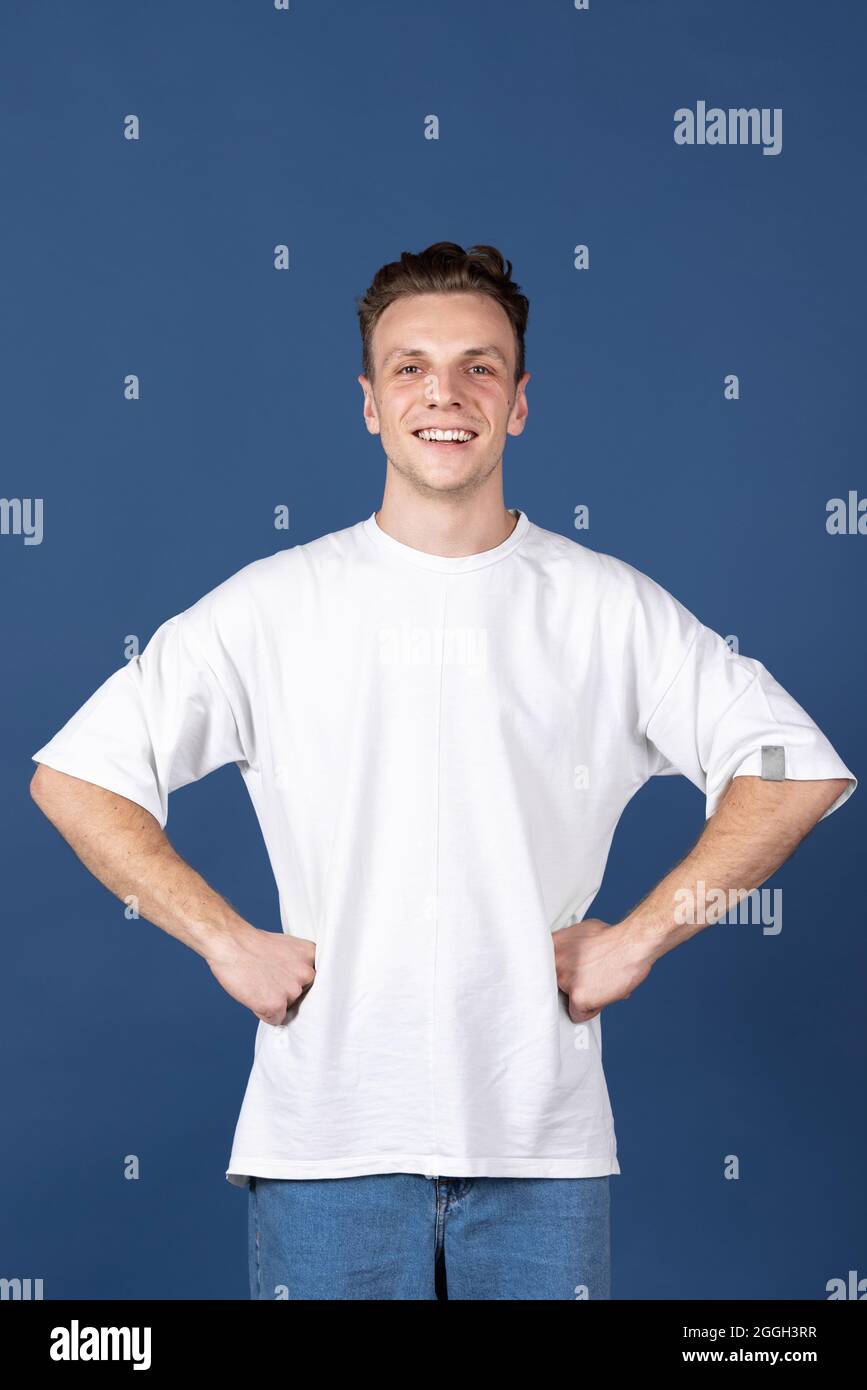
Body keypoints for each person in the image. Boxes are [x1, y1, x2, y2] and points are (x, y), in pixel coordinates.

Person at [30, 242, 856, 1302]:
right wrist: (223, 939)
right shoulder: (275, 605)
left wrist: (642, 937)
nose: (445, 393)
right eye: (410, 366)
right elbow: (78, 774)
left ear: (519, 403)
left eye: (479, 365)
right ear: (369, 403)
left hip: (541, 1147)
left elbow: (794, 770)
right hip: (326, 1142)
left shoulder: (607, 607)